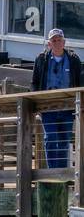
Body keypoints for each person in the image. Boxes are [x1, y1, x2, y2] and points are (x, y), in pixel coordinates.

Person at [31, 28, 84, 168]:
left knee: (64, 140)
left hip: (68, 107)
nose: (57, 42)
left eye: (59, 40)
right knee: (50, 138)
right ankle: (52, 173)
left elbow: (80, 82)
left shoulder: (74, 59)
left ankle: (62, 175)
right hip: (48, 106)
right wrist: (35, 103)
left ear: (64, 42)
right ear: (49, 44)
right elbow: (35, 82)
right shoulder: (41, 59)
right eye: (53, 40)